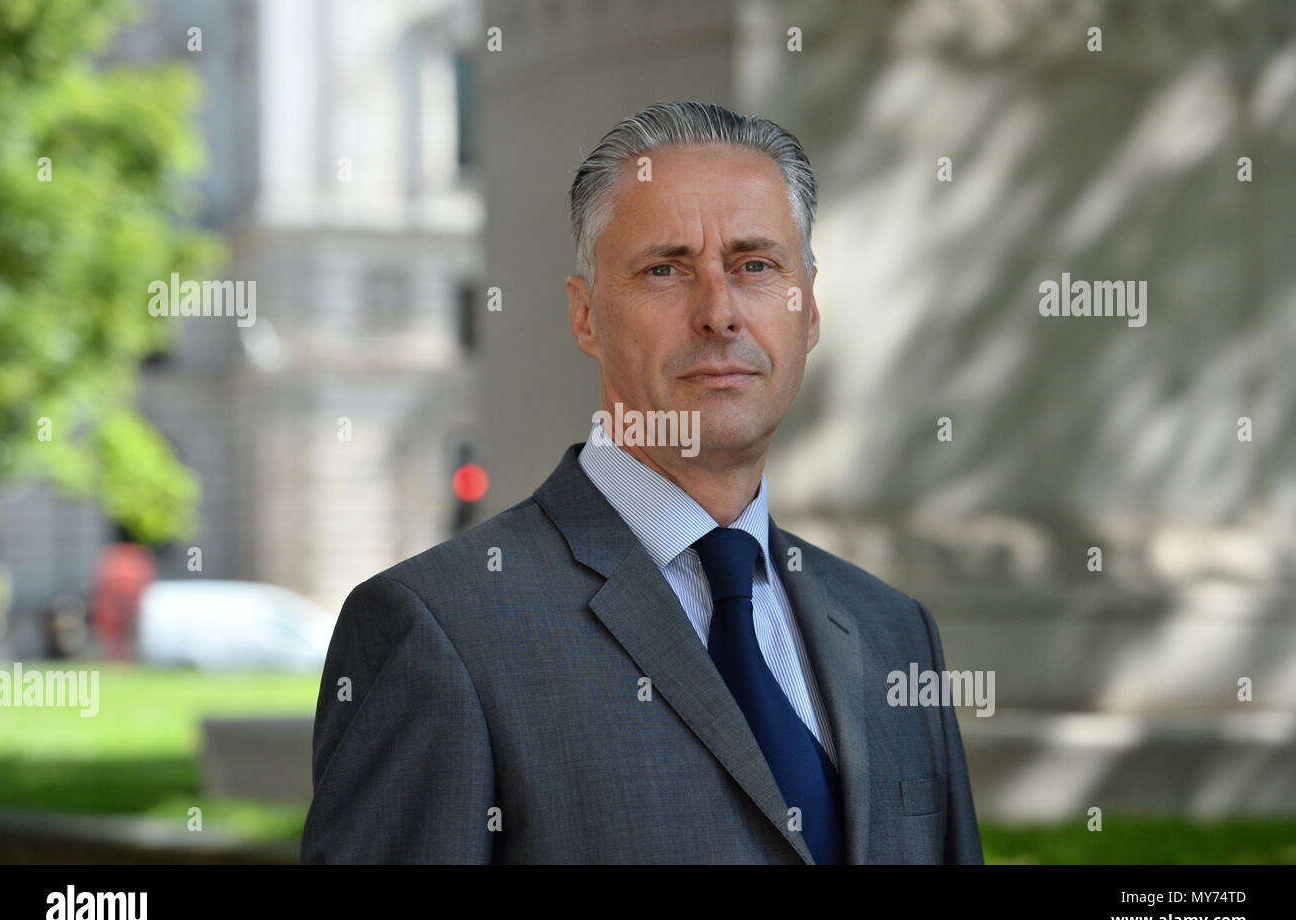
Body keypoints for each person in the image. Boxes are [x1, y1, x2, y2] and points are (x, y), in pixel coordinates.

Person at [302, 101, 983, 864]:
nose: (719, 312)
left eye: (756, 265)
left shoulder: (895, 632)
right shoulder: (437, 632)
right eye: (666, 269)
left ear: (810, 308)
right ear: (585, 314)